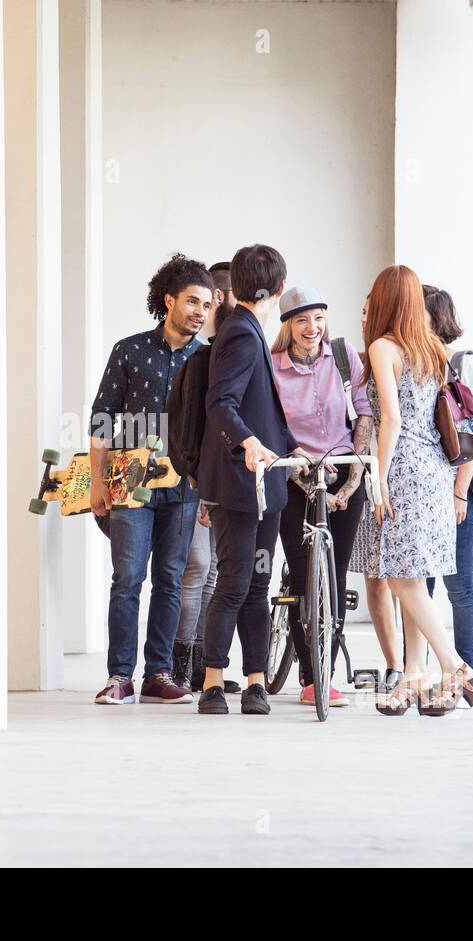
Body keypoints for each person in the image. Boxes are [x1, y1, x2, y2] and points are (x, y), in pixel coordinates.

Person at [89, 253, 214, 705]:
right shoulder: (129, 350)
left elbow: (214, 430)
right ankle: (119, 676)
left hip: (184, 488)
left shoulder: (209, 358)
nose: (201, 311)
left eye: (208, 304)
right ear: (169, 301)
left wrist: (208, 494)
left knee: (170, 578)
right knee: (127, 577)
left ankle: (157, 674)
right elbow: (102, 419)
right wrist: (96, 483)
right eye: (193, 301)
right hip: (129, 481)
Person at [360, 265, 473, 716]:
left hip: (403, 468)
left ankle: (454, 665)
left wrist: (379, 477)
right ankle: (413, 675)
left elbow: (392, 419)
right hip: (436, 471)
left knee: (400, 577)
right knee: (413, 576)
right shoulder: (434, 349)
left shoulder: (382, 347)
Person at [195, 244, 299, 716]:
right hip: (240, 484)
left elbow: (260, 406)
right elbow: (221, 403)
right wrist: (248, 443)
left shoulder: (247, 329)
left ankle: (256, 682)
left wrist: (291, 444)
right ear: (279, 289)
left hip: (264, 484)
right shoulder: (240, 332)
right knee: (235, 583)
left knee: (257, 585)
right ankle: (212, 683)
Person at [271, 285, 372, 707]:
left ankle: (327, 672)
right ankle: (310, 678)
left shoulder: (347, 357)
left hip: (344, 470)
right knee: (301, 574)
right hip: (295, 474)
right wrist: (303, 476)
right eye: (301, 320)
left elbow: (364, 414)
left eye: (318, 318)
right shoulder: (271, 367)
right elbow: (271, 424)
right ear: (288, 327)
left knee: (334, 572)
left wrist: (350, 483)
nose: (312, 328)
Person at [173, 262, 239, 693]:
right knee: (196, 567)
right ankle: (179, 663)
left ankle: (202, 664)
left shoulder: (235, 345)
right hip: (195, 475)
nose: (227, 301)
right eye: (225, 293)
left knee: (215, 570)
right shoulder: (201, 353)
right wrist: (196, 473)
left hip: (227, 475)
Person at [423, 284, 473, 695]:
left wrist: (459, 494)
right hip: (427, 492)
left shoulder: (465, 365)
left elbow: (472, 437)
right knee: (422, 585)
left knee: (459, 586)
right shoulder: (420, 361)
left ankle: (467, 673)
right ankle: (429, 669)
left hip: (455, 495)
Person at [347, 299, 403, 691]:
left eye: (371, 309)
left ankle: (415, 661)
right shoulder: (359, 358)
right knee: (376, 578)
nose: (363, 316)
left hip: (399, 474)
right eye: (362, 310)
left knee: (406, 578)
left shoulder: (398, 352)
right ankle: (395, 664)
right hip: (367, 474)